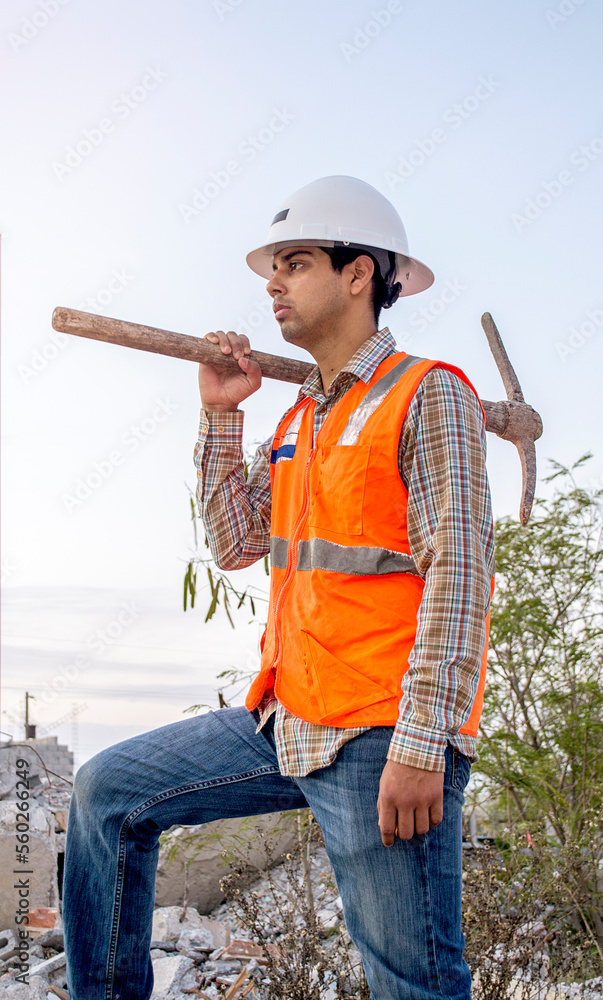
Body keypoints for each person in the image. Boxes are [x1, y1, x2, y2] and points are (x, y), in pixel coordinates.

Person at [62, 175, 494, 1000]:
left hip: (380, 735)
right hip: (286, 716)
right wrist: (222, 415)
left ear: (359, 272)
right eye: (274, 267)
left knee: (414, 984)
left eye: (294, 262)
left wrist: (420, 744)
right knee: (106, 794)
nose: (272, 282)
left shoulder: (425, 393)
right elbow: (233, 542)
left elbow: (461, 575)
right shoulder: (302, 416)